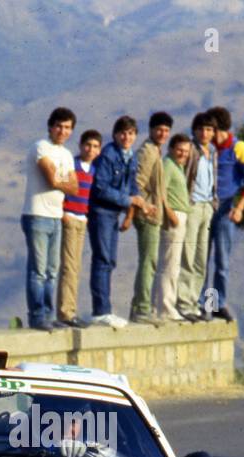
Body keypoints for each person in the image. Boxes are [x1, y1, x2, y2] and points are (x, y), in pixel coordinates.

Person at [87, 116, 153, 328]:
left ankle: (104, 309)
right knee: (103, 259)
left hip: (114, 214)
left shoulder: (130, 156)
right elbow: (101, 188)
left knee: (110, 261)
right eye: (123, 133)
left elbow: (132, 186)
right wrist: (128, 200)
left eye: (131, 133)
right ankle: (101, 310)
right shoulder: (108, 155)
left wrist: (140, 203)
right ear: (115, 134)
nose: (127, 137)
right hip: (101, 212)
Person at [21, 108, 79, 331]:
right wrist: (60, 179)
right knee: (39, 270)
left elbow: (74, 187)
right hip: (37, 214)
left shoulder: (65, 154)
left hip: (56, 216)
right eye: (59, 126)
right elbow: (53, 179)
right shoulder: (40, 147)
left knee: (52, 270)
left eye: (67, 127)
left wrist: (59, 179)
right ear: (50, 126)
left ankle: (48, 313)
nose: (62, 131)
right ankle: (37, 316)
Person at [201, 105, 244, 322]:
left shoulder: (238, 148)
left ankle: (218, 304)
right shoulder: (206, 148)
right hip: (205, 207)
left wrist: (240, 208)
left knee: (222, 260)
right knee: (201, 260)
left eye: (210, 129)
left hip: (225, 209)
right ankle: (202, 305)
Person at [128, 111, 173, 326]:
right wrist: (145, 206)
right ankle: (142, 308)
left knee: (150, 261)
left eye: (166, 130)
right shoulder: (147, 151)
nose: (163, 133)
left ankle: (139, 306)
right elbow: (138, 181)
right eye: (159, 130)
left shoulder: (155, 150)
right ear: (151, 130)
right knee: (148, 261)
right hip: (147, 216)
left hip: (154, 216)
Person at [57, 130, 102, 326]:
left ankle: (71, 309)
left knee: (75, 266)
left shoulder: (93, 170)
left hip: (82, 219)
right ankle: (66, 312)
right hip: (69, 217)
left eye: (95, 146)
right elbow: (58, 187)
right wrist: (63, 212)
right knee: (69, 266)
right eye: (87, 145)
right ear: (80, 145)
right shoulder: (70, 165)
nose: (90, 150)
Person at [177, 112, 217, 322]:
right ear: (194, 130)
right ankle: (183, 302)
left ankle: (195, 302)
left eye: (209, 129)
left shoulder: (212, 152)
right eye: (201, 129)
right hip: (192, 206)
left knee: (202, 257)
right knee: (188, 254)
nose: (205, 133)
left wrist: (213, 202)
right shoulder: (190, 151)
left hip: (207, 207)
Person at [153, 134, 192, 323]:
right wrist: (170, 214)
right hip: (173, 218)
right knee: (169, 264)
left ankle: (162, 306)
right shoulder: (168, 165)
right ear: (171, 149)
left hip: (181, 216)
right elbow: (160, 191)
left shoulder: (178, 166)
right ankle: (166, 308)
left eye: (186, 151)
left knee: (172, 264)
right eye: (179, 150)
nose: (183, 154)